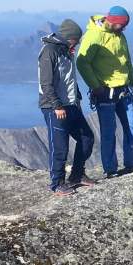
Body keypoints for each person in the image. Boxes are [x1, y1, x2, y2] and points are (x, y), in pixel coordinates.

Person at [77, 5, 133, 176]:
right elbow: (82, 62)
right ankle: (111, 169)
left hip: (125, 90)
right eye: (122, 25)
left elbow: (127, 61)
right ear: (114, 21)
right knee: (109, 132)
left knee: (132, 127)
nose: (124, 28)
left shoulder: (119, 35)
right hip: (105, 92)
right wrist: (95, 86)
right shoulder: (94, 35)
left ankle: (130, 163)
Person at [39, 19, 95, 196]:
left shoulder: (66, 52)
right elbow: (46, 83)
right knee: (60, 146)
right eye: (76, 40)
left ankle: (77, 175)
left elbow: (69, 79)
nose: (77, 43)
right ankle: (57, 183)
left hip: (71, 105)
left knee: (86, 138)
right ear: (69, 37)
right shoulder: (49, 52)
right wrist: (57, 105)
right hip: (55, 108)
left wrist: (77, 97)